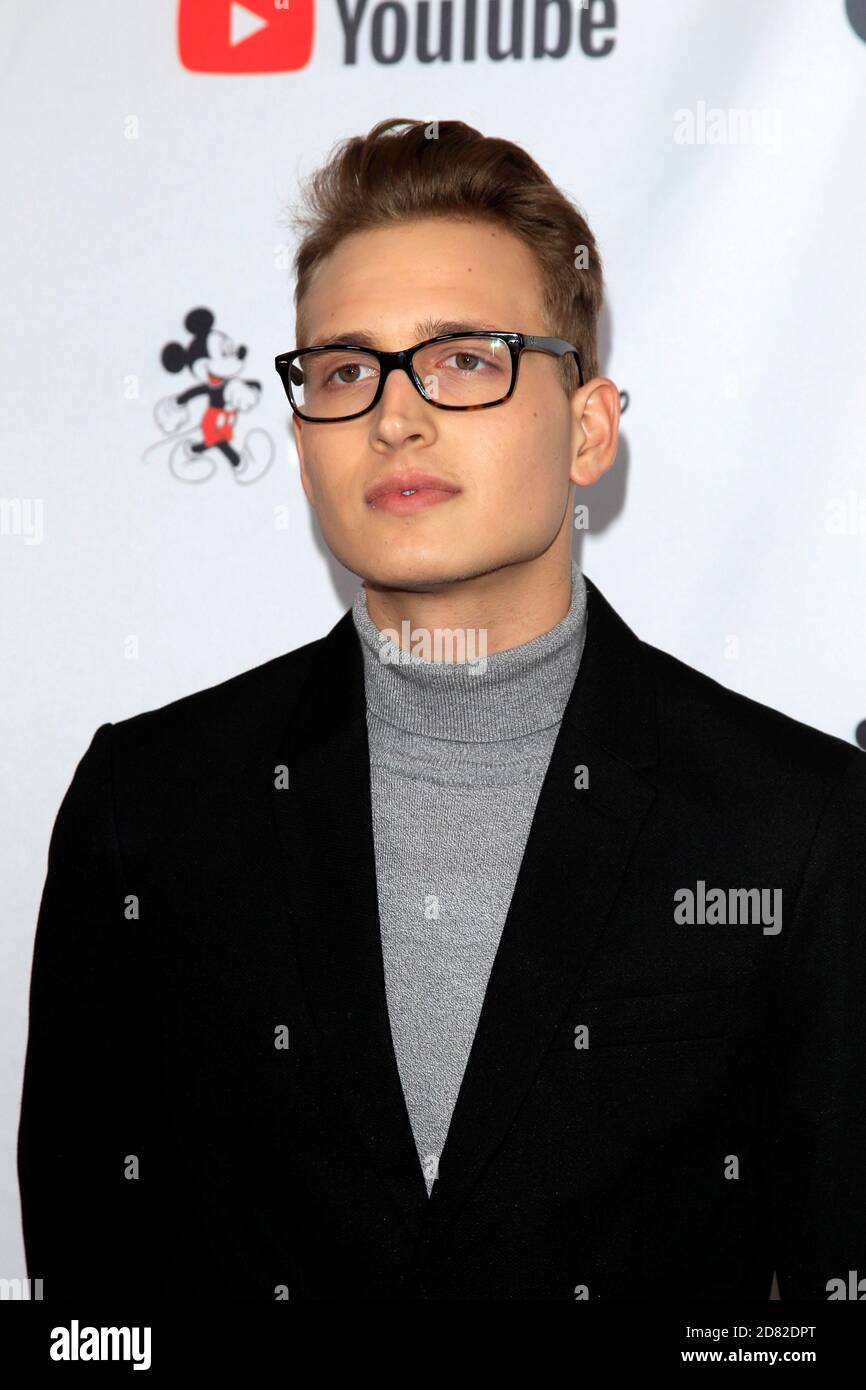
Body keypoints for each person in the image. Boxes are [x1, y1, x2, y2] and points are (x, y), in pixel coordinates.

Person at [18, 117, 866, 1301]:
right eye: (344, 369)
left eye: (465, 358)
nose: (394, 416)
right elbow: (90, 1295)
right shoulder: (149, 806)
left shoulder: (794, 820)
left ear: (587, 430)